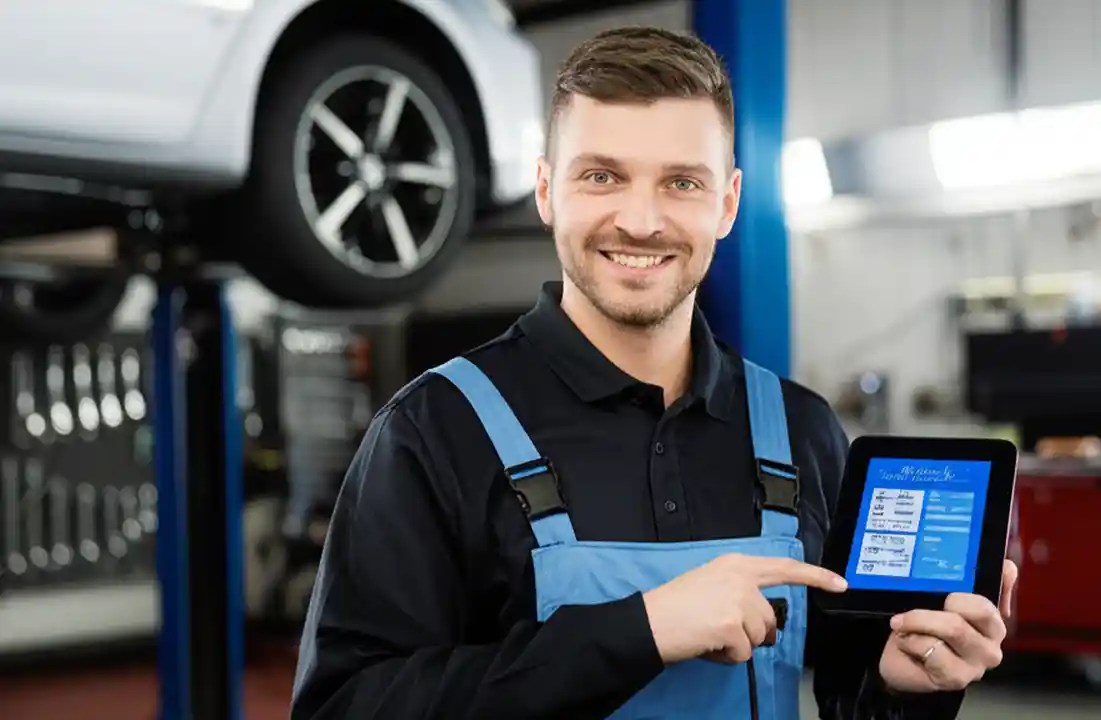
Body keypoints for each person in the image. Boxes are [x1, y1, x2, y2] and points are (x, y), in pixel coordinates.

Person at [291, 26, 1017, 720]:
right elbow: (346, 706)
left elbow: (850, 695)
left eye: (682, 183)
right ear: (547, 191)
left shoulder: (800, 429)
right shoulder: (432, 431)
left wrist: (909, 686)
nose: (641, 221)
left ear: (728, 204)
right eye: (602, 176)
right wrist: (642, 630)